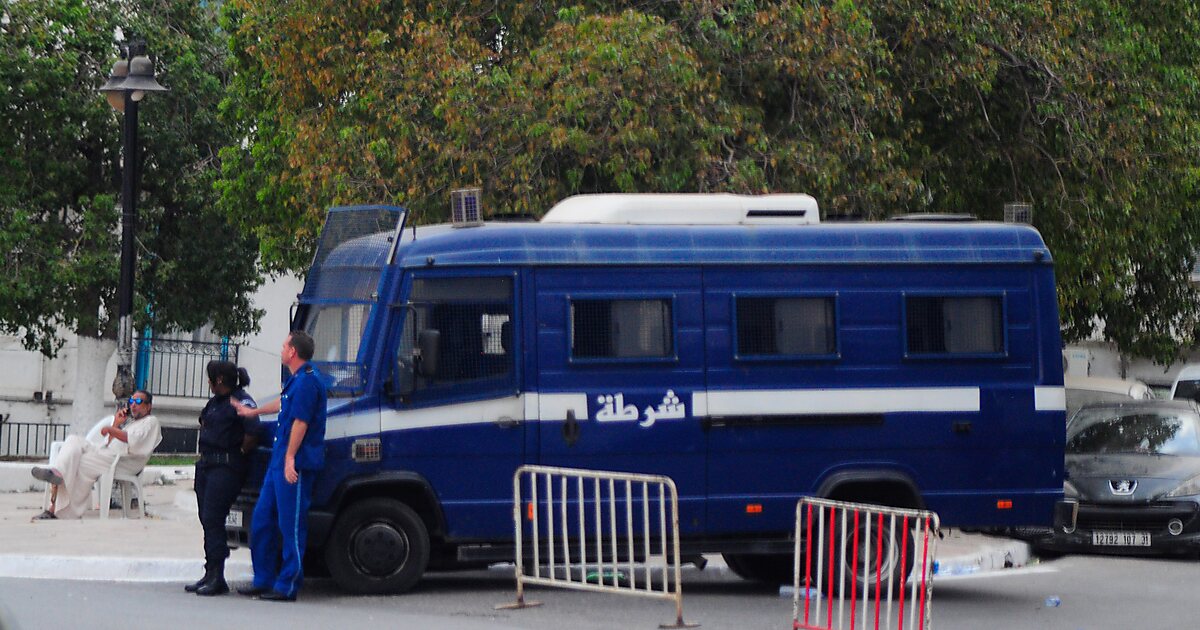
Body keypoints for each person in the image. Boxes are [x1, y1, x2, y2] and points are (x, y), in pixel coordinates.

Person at [231, 331, 327, 602]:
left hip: (293, 462)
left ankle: (288, 584)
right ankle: (263, 578)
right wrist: (254, 411)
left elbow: (300, 422)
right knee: (262, 519)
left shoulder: (308, 382)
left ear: (293, 352)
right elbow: (283, 404)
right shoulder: (296, 380)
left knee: (290, 524)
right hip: (280, 459)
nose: (282, 349)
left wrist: (289, 459)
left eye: (285, 345)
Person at [185, 361, 260, 596]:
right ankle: (210, 572)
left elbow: (253, 431)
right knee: (207, 520)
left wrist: (239, 452)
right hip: (207, 464)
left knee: (214, 518)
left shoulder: (241, 401)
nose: (208, 383)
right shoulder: (215, 402)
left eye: (210, 378)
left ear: (218, 379)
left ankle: (218, 576)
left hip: (226, 466)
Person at [31, 391, 162, 520]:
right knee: (73, 440)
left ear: (148, 406)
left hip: (120, 461)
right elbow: (109, 442)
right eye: (132, 401)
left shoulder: (151, 421)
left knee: (77, 463)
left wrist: (112, 429)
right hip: (105, 453)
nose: (133, 405)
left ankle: (54, 509)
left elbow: (134, 440)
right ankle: (57, 473)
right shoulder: (131, 423)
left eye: (138, 401)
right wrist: (116, 423)